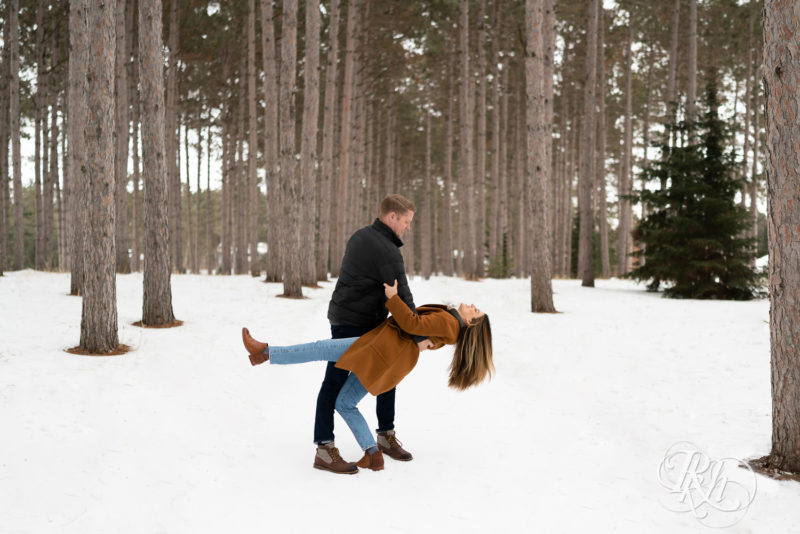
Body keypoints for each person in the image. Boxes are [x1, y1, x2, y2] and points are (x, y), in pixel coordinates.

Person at [242, 279, 494, 473]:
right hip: (390, 355)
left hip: (381, 348)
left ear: (471, 323)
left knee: (321, 348)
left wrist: (393, 297)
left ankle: (264, 352)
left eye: (476, 311)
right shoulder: (451, 324)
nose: (472, 306)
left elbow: (412, 324)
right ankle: (373, 453)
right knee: (345, 403)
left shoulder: (451, 324)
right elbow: (420, 332)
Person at [311, 194, 421, 474]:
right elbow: (402, 293)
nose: (407, 228)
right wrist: (419, 331)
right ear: (392, 217)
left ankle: (385, 436)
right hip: (351, 321)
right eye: (406, 221)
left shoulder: (364, 236)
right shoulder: (385, 249)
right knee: (335, 379)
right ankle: (324, 448)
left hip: (365, 320)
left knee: (388, 373)